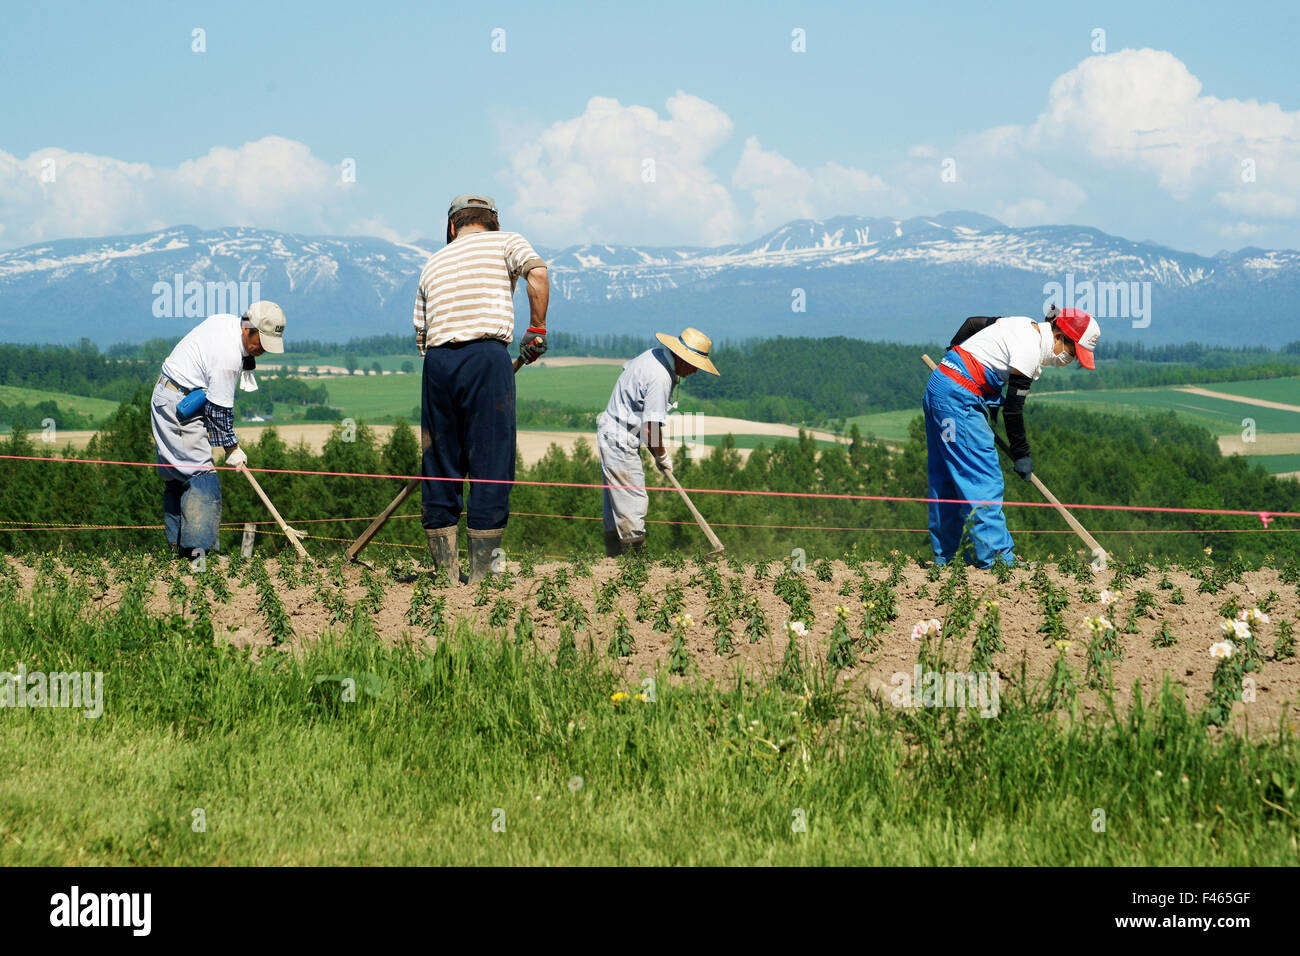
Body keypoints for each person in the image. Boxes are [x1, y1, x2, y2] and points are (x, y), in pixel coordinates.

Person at [413, 194, 549, 583]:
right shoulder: (506, 241)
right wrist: (537, 329)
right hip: (488, 357)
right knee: (491, 461)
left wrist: (450, 368)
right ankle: (482, 577)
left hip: (437, 364)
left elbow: (421, 335)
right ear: (493, 222)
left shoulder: (433, 262)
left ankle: (443, 575)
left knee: (439, 463)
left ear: (452, 227)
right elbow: (537, 274)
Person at [923, 306, 1100, 568]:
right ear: (1060, 336)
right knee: (982, 476)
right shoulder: (1029, 351)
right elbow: (1014, 411)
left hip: (941, 388)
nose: (1070, 360)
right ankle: (996, 560)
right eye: (1073, 353)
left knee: (946, 475)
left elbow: (972, 323)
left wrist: (952, 356)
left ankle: (946, 556)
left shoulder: (1020, 323)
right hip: (958, 399)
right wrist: (1022, 455)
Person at [150, 301, 287, 567]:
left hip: (170, 395)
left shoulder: (228, 323)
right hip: (180, 405)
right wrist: (232, 449)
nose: (262, 351)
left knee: (179, 476)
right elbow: (220, 412)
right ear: (249, 329)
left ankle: (178, 554)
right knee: (202, 476)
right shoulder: (227, 358)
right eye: (261, 343)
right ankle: (200, 558)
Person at [596, 328, 719, 556]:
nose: (694, 371)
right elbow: (650, 427)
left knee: (616, 504)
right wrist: (661, 456)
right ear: (681, 357)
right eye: (693, 365)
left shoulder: (654, 355)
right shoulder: (661, 377)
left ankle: (612, 561)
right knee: (633, 501)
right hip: (620, 437)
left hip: (613, 432)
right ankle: (635, 562)